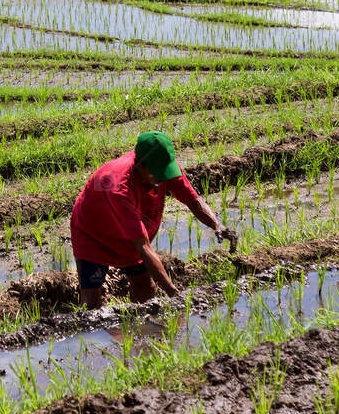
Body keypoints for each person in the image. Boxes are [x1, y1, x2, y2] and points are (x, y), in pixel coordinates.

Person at [69, 130, 235, 308]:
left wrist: (216, 224)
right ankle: (92, 336)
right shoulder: (118, 186)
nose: (163, 178)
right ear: (140, 164)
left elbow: (192, 199)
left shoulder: (162, 165)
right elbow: (143, 246)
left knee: (146, 288)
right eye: (157, 174)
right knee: (92, 302)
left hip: (129, 236)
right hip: (94, 233)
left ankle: (141, 334)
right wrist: (174, 294)